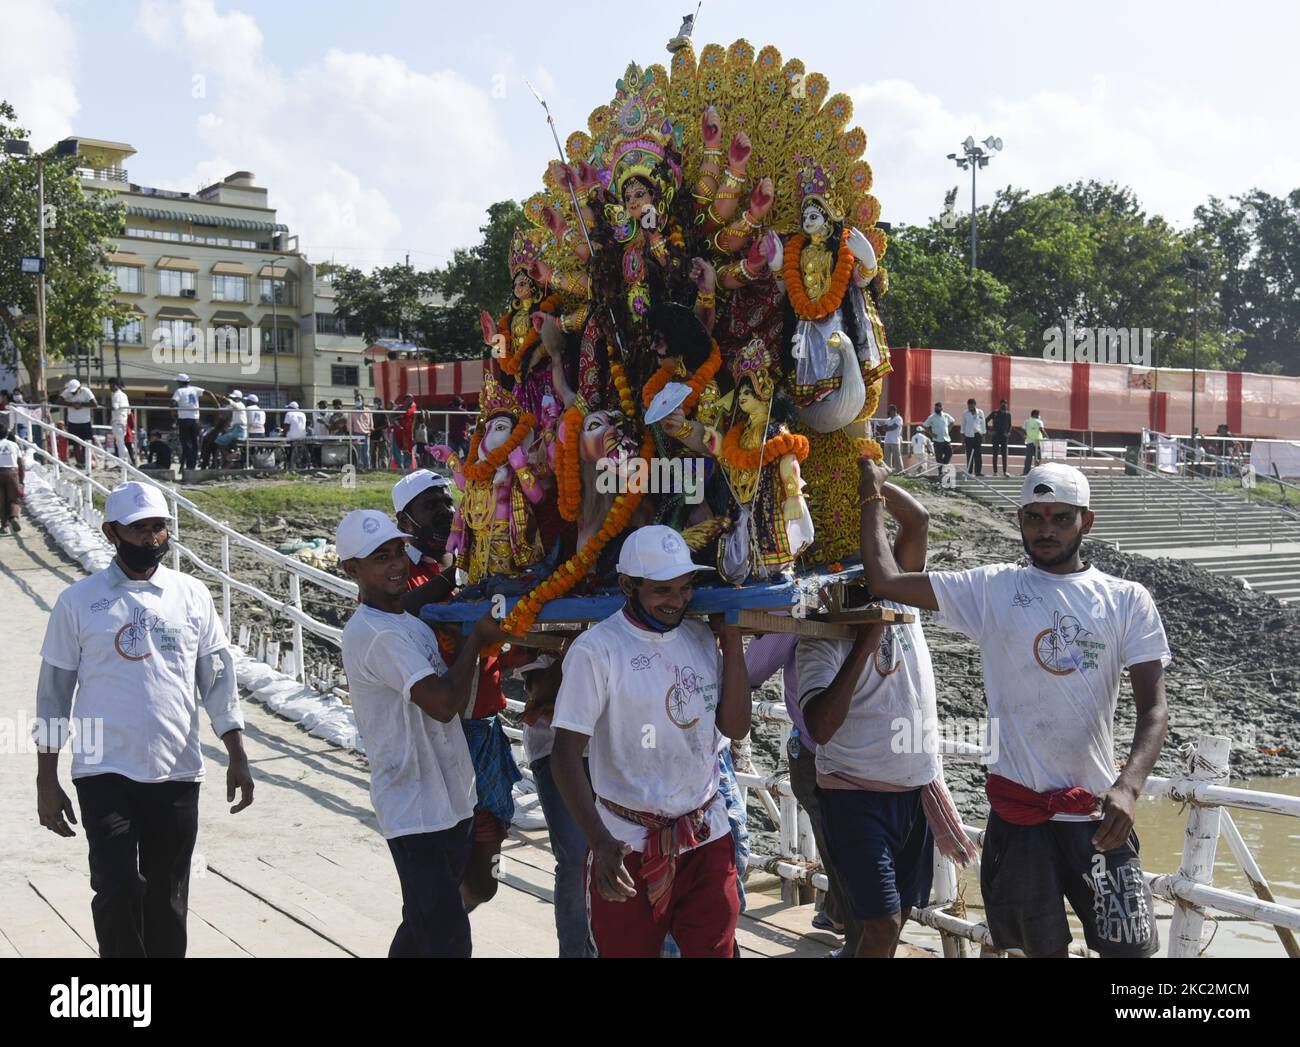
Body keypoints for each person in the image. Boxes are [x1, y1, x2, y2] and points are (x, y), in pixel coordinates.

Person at [859, 459, 1170, 958]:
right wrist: (873, 495)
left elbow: (1154, 709)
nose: (1046, 530)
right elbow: (886, 581)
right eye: (1035, 517)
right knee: (1032, 951)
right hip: (1019, 819)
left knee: (1129, 951)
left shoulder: (1127, 600)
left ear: (1086, 521)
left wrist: (1129, 786)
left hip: (1097, 816)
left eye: (1061, 517)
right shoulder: (992, 588)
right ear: (1020, 518)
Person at [35, 480, 254, 957]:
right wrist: (46, 780)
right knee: (117, 889)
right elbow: (53, 695)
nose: (152, 538)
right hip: (102, 769)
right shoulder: (78, 601)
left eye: (159, 528)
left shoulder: (191, 595)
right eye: (139, 530)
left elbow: (217, 680)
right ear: (111, 532)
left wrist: (236, 752)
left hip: (176, 769)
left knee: (168, 896)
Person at [550, 525, 750, 958]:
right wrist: (600, 843)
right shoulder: (596, 651)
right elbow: (563, 756)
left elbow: (735, 728)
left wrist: (732, 646)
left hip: (705, 834)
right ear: (627, 585)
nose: (676, 601)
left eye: (684, 588)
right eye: (662, 590)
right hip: (626, 844)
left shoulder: (699, 638)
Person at [800, 481, 975, 958]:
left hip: (911, 791)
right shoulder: (819, 641)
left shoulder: (901, 597)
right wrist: (865, 638)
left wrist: (871, 485)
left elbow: (917, 520)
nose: (866, 590)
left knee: (893, 923)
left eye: (869, 580)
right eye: (854, 587)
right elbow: (819, 728)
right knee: (882, 923)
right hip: (854, 797)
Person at [337, 509, 506, 958]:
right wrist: (476, 639)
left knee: (422, 929)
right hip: (415, 811)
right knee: (448, 940)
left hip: (449, 802)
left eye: (397, 553)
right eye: (380, 558)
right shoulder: (375, 634)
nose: (396, 565)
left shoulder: (408, 625)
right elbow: (444, 703)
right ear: (352, 570)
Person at [390, 470, 519, 912]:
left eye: (449, 503)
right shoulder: (397, 573)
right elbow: (398, 612)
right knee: (444, 875)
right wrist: (460, 574)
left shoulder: (465, 564)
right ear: (404, 521)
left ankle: (439, 937)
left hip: (484, 726)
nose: (446, 513)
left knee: (484, 879)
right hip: (440, 734)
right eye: (431, 506)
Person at [747, 633, 856, 953]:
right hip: (869, 751)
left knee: (841, 845)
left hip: (819, 749)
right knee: (853, 846)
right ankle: (846, 921)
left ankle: (846, 921)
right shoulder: (885, 605)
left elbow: (752, 668)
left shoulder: (800, 605)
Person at [510, 650, 595, 957]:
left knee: (614, 852)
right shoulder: (541, 617)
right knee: (574, 856)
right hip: (553, 748)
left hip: (606, 750)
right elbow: (538, 687)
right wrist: (576, 647)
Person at [59, 379, 98, 469]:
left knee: (86, 444)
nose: (72, 393)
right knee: (75, 443)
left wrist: (81, 405)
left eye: (74, 391)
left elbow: (95, 404)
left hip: (85, 421)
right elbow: (58, 401)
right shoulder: (67, 392)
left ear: (79, 388)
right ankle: (79, 462)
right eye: (71, 392)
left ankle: (86, 461)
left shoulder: (86, 391)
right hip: (73, 422)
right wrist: (72, 404)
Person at [170, 374, 207, 471]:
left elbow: (173, 403)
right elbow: (208, 393)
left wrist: (174, 414)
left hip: (184, 419)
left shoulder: (179, 391)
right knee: (194, 443)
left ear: (180, 382)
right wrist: (216, 403)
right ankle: (191, 465)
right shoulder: (195, 389)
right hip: (195, 419)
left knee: (186, 443)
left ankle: (189, 466)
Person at [0, 422, 24, 534]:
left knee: (1, 500)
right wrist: (22, 479)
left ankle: (4, 525)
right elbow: (20, 463)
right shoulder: (13, 445)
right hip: (12, 472)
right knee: (14, 498)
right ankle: (14, 516)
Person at [212, 390, 248, 461]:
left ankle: (227, 456)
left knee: (218, 441)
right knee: (221, 436)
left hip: (240, 430)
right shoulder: (233, 405)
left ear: (238, 398)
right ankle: (231, 454)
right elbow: (223, 409)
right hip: (235, 429)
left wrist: (223, 398)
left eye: (234, 398)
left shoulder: (240, 405)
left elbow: (230, 403)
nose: (232, 399)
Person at [108, 378, 134, 464]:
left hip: (117, 421)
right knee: (121, 443)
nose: (110, 387)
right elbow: (129, 411)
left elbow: (115, 407)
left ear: (115, 385)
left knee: (120, 444)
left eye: (111, 385)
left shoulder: (115, 395)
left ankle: (124, 462)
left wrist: (105, 405)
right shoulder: (124, 395)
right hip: (124, 421)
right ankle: (128, 462)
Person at [961, 398, 986, 476]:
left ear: (974, 405)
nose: (969, 407)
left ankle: (978, 471)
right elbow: (963, 425)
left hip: (977, 435)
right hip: (968, 436)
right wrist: (963, 437)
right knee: (969, 454)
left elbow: (983, 423)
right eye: (968, 405)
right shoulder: (965, 413)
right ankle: (969, 471)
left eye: (971, 405)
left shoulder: (980, 412)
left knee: (978, 454)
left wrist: (983, 434)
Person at [280, 400, 309, 469]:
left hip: (292, 437)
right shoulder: (303, 414)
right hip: (302, 436)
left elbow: (287, 427)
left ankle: (289, 461)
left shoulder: (289, 413)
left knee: (286, 447)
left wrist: (282, 434)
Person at [348, 391, 373, 471]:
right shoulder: (352, 411)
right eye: (356, 400)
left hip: (366, 434)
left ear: (362, 400)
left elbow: (371, 423)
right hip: (356, 434)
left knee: (366, 452)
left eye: (359, 399)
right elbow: (349, 424)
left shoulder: (368, 410)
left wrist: (370, 431)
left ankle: (367, 468)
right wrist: (351, 435)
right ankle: (359, 468)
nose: (357, 401)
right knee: (358, 452)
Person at [988, 399, 1012, 476]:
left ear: (1007, 405)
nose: (1004, 405)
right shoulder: (995, 413)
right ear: (1000, 405)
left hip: (1004, 437)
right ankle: (995, 472)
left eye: (1005, 404)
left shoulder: (1008, 414)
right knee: (995, 454)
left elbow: (1010, 425)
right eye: (1002, 404)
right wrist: (989, 431)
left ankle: (1005, 472)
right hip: (995, 436)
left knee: (1004, 454)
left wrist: (1008, 433)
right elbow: (985, 420)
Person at [878, 404, 905, 472]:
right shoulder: (888, 419)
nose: (888, 412)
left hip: (895, 441)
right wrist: (887, 428)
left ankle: (900, 470)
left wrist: (887, 428)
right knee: (887, 457)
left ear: (894, 411)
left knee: (897, 457)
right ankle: (888, 470)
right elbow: (884, 428)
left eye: (890, 410)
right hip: (887, 440)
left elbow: (894, 427)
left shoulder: (898, 418)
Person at [1022, 409, 1047, 473]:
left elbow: (1023, 431)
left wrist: (1025, 436)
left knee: (1028, 458)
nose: (1039, 416)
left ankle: (1026, 472)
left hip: (1029, 441)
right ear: (1036, 415)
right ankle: (1036, 472)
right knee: (1038, 458)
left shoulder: (1026, 421)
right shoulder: (1039, 422)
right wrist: (1046, 437)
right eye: (1038, 414)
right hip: (1038, 442)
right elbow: (1042, 430)